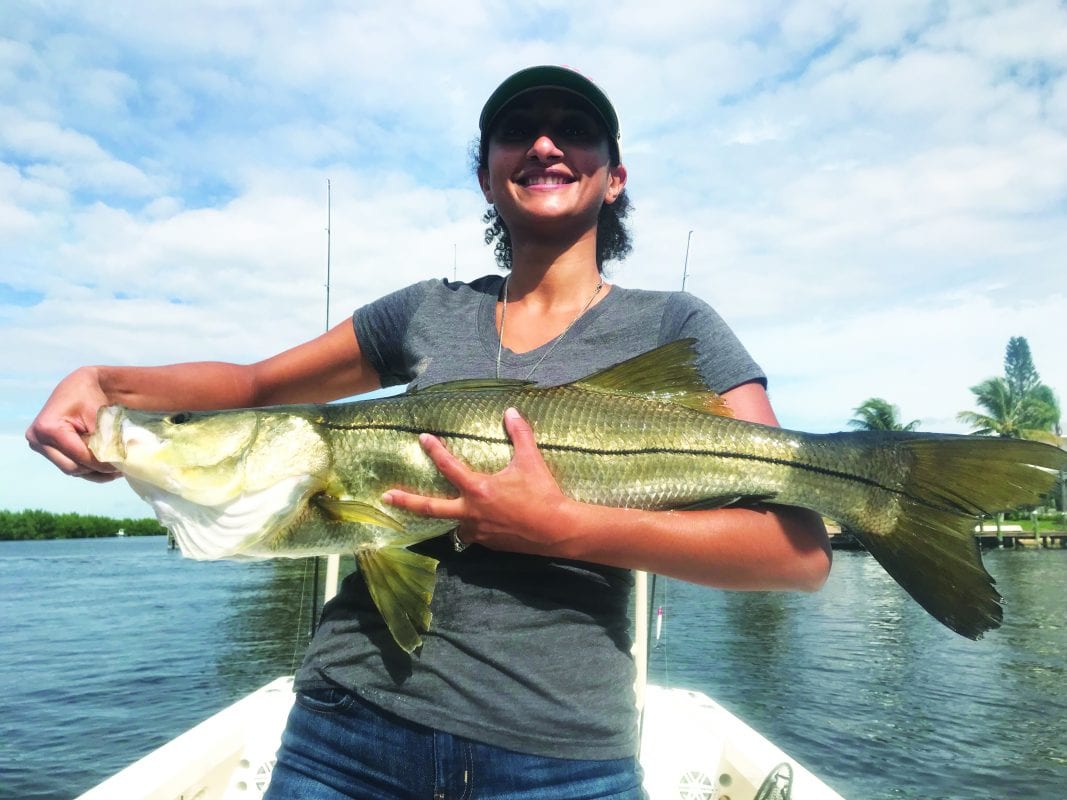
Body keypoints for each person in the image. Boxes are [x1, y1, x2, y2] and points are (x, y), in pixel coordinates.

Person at [27, 65, 831, 799]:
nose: (545, 143)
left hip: (560, 758)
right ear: (486, 175)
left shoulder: (676, 327)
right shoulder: (426, 310)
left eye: (574, 129)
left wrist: (568, 528)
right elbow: (255, 387)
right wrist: (105, 386)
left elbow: (794, 554)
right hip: (344, 732)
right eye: (517, 131)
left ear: (614, 177)